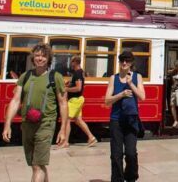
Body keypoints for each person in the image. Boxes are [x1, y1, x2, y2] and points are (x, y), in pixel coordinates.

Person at [2, 44, 68, 182]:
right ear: (33, 57)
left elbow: (63, 103)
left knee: (38, 165)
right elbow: (15, 100)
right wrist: (7, 125)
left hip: (46, 124)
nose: (40, 58)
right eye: (37, 55)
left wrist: (63, 130)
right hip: (27, 124)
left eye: (44, 56)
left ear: (49, 58)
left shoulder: (55, 77)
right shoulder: (25, 76)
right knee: (36, 164)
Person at [104, 50, 146, 182]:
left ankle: (131, 177)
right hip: (116, 120)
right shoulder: (113, 78)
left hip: (131, 120)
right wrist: (121, 95)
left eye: (127, 60)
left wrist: (130, 84)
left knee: (131, 153)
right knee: (116, 155)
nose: (124, 63)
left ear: (131, 62)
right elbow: (107, 101)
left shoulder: (136, 77)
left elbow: (142, 97)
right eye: (122, 60)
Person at [58, 56, 97, 149]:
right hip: (77, 99)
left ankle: (65, 142)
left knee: (67, 119)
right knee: (78, 120)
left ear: (75, 62)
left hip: (75, 100)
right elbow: (76, 84)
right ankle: (91, 138)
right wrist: (69, 83)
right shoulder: (78, 73)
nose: (71, 64)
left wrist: (66, 89)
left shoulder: (78, 73)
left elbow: (78, 88)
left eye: (72, 62)